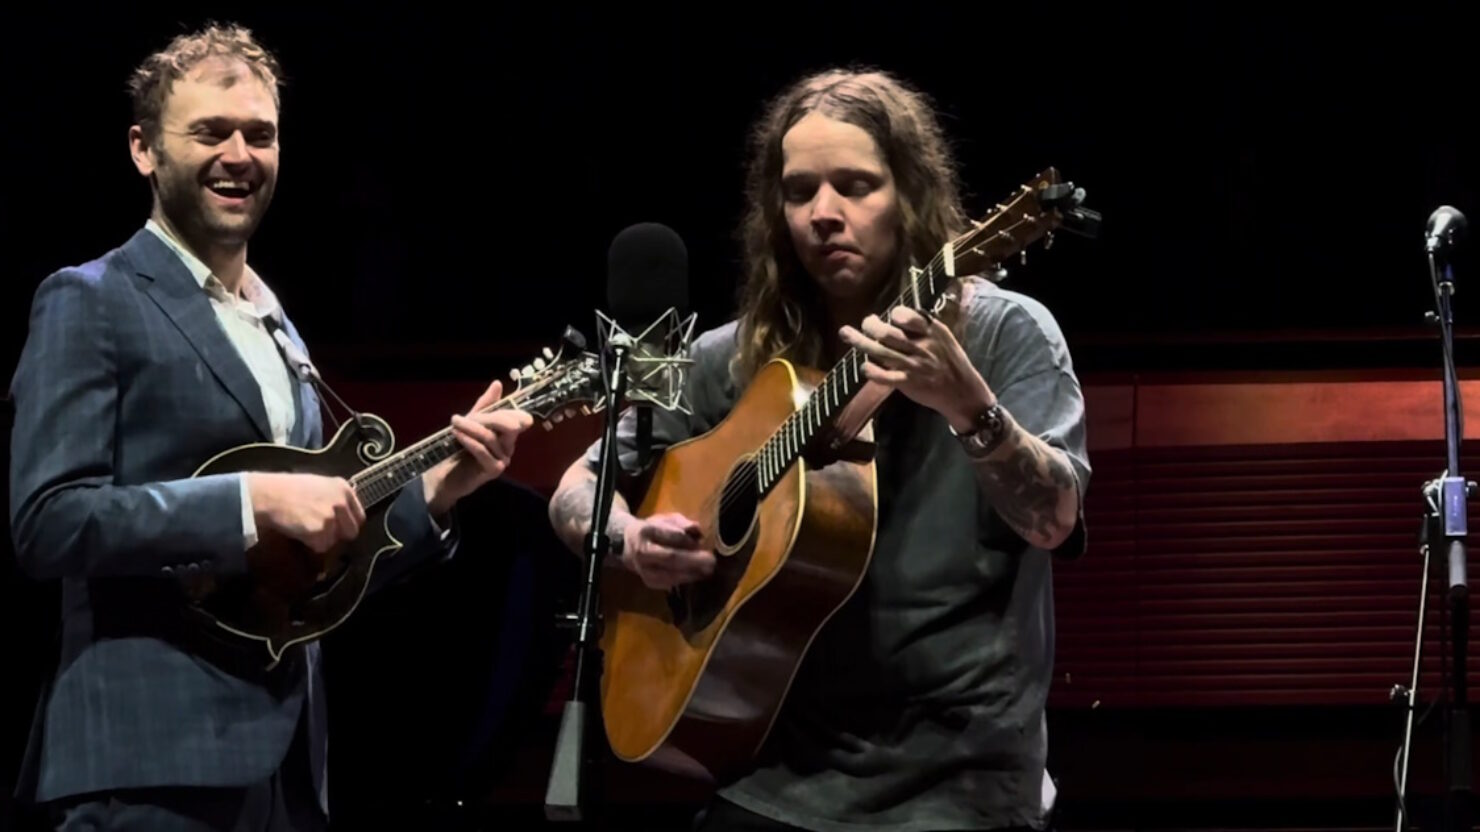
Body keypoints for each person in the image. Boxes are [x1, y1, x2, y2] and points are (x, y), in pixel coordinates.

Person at [7, 23, 533, 832]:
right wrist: (251, 500)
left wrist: (438, 491)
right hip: (145, 770)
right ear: (144, 150)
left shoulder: (276, 324)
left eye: (261, 134)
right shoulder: (91, 299)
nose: (239, 154)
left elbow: (309, 571)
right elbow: (50, 523)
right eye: (211, 132)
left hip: (288, 770)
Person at [548, 67, 1090, 831]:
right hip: (768, 766)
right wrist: (630, 540)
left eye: (855, 186)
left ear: (910, 194)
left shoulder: (1006, 333)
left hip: (954, 786)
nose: (823, 214)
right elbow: (578, 486)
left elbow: (1054, 522)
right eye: (800, 192)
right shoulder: (731, 358)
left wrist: (970, 409)